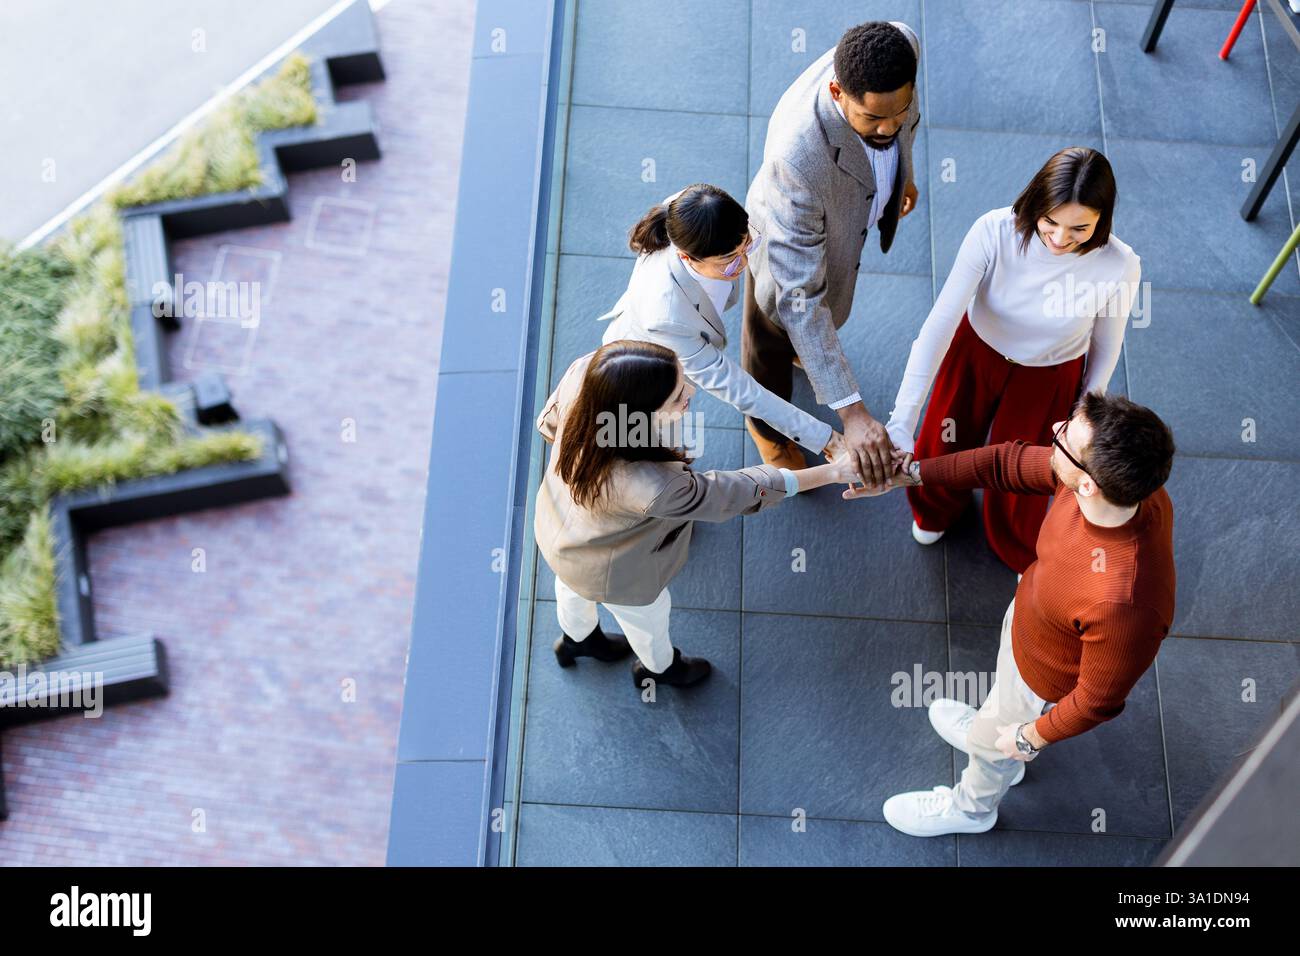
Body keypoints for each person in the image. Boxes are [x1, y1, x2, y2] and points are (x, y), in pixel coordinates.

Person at [845, 392, 1176, 837]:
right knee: (999, 707)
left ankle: (973, 807)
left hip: (1042, 677)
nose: (1054, 429)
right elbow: (1002, 464)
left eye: (1063, 439)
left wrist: (1029, 737)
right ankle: (994, 733)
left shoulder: (1125, 604)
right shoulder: (1111, 486)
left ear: (1088, 485)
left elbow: (1097, 701)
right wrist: (912, 474)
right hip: (1035, 615)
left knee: (996, 741)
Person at [535, 340, 858, 691]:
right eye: (676, 396)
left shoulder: (584, 374)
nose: (690, 391)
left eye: (682, 379)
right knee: (648, 622)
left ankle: (578, 640)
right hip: (616, 576)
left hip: (557, 534)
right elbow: (734, 492)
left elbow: (550, 426)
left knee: (570, 588)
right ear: (639, 414)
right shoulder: (653, 485)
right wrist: (832, 474)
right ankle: (659, 669)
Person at [886, 146, 1141, 573]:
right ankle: (935, 508)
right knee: (943, 439)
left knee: (1028, 468)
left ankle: (1011, 538)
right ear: (1036, 202)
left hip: (1050, 373)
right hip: (976, 353)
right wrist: (901, 421)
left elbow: (1106, 343)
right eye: (1051, 222)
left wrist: (1085, 412)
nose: (1061, 239)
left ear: (1102, 220)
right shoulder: (993, 231)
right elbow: (940, 323)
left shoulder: (1120, 265)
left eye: (1080, 228)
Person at [743, 20, 922, 485]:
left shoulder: (903, 45)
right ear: (838, 92)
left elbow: (903, 127)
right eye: (873, 120)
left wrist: (901, 176)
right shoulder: (796, 161)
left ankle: (813, 358)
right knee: (772, 338)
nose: (889, 128)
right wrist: (854, 412)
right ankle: (768, 431)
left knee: (822, 320)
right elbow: (799, 296)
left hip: (838, 217)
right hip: (785, 249)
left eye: (897, 113)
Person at [600, 183, 842, 461]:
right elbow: (739, 388)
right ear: (686, 257)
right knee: (655, 426)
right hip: (649, 367)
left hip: (683, 323)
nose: (741, 265)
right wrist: (824, 438)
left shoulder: (690, 205)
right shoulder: (666, 317)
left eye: (747, 246)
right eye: (728, 260)